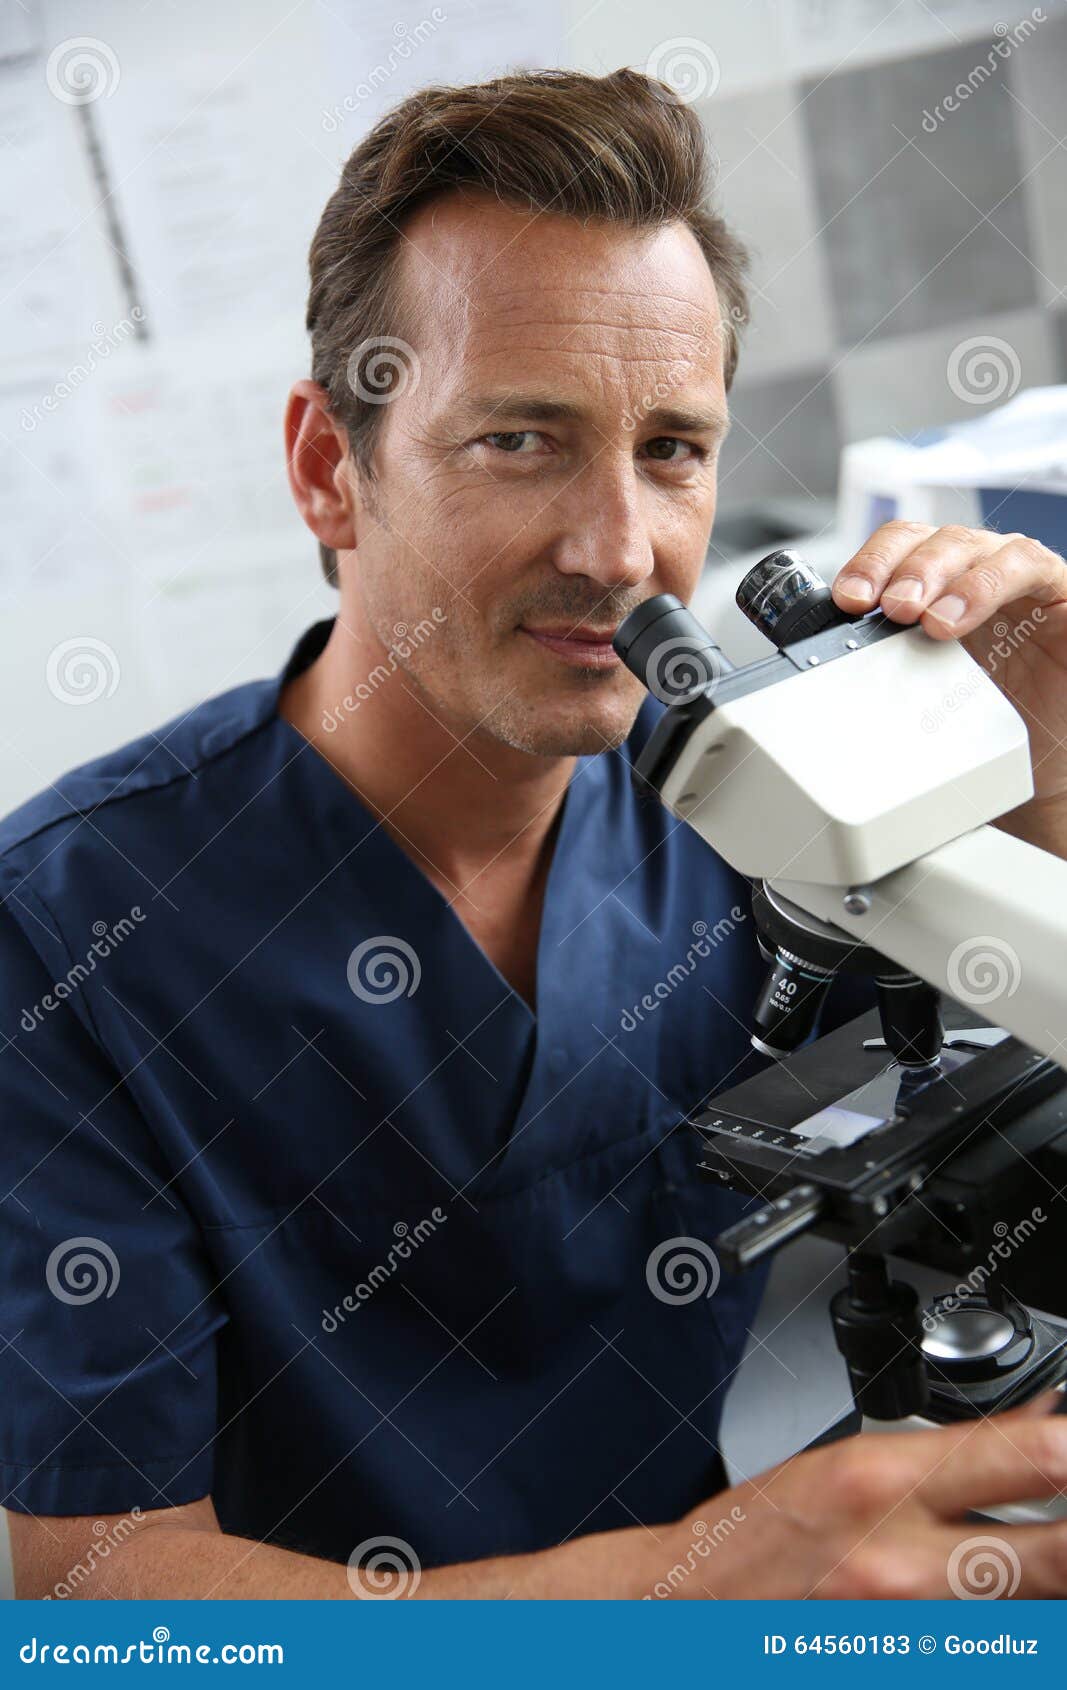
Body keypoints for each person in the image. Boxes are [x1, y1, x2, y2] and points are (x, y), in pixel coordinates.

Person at [5, 68, 1067, 1602]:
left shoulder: (736, 804)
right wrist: (687, 1591)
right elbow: (102, 1598)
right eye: (520, 439)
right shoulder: (66, 935)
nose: (620, 550)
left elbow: (983, 1054)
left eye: (673, 449)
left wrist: (1035, 746)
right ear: (328, 467)